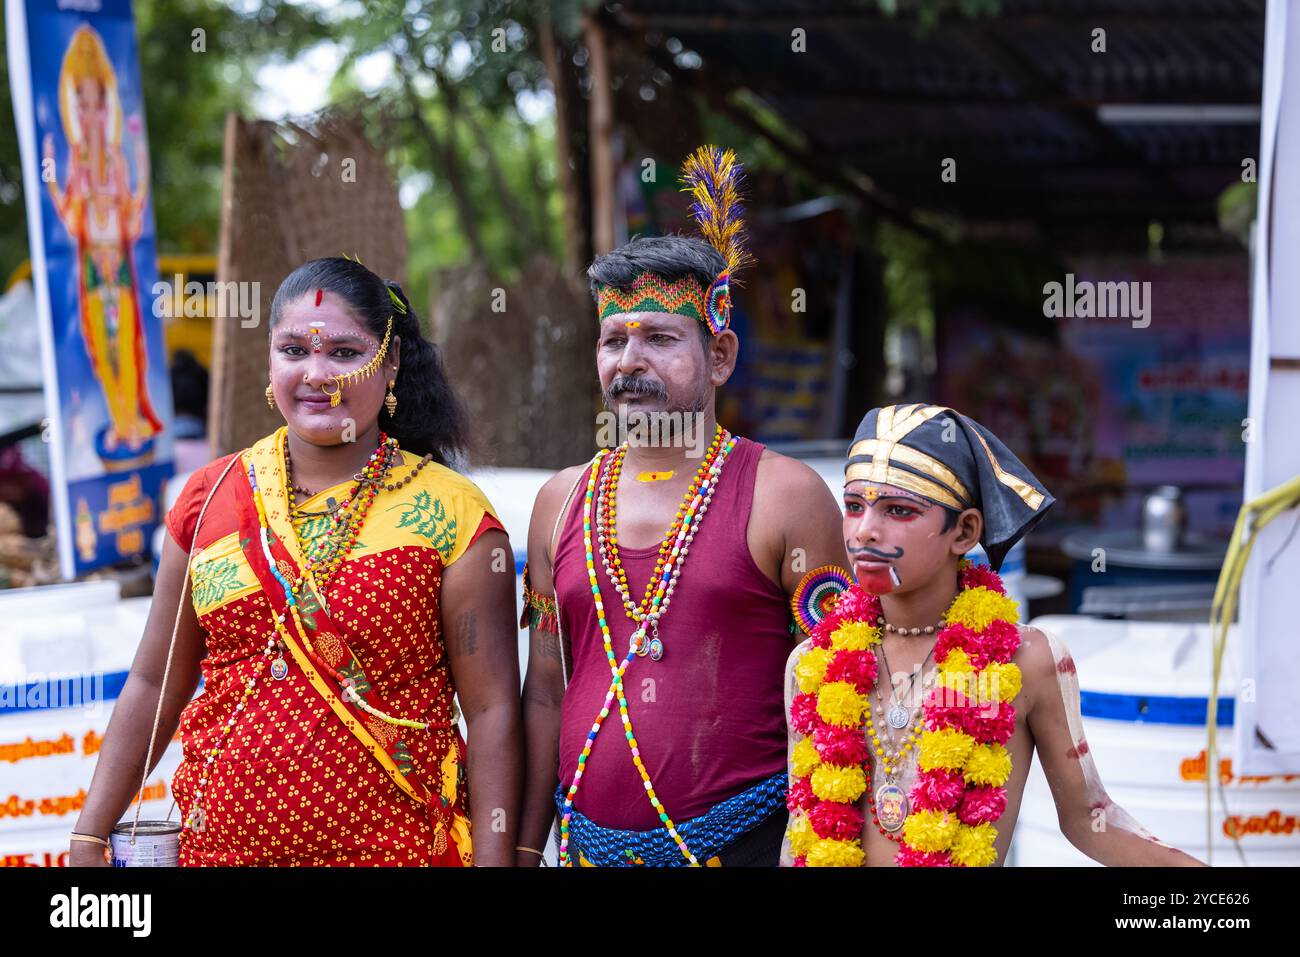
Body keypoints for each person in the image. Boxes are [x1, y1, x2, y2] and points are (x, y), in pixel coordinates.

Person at [70, 256, 522, 866]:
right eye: (293, 351)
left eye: (343, 353)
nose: (316, 374)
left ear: (389, 364)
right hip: (219, 853)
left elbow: (493, 710)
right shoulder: (209, 501)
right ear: (269, 363)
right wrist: (89, 833)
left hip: (403, 851)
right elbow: (154, 682)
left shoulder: (451, 514)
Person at [517, 147, 848, 867]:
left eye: (661, 338)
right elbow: (544, 690)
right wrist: (519, 846)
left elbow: (839, 699)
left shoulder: (785, 495)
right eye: (613, 341)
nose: (629, 362)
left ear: (721, 356)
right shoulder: (559, 500)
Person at [781, 403, 1205, 866]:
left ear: (964, 532)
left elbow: (1090, 818)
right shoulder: (812, 663)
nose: (864, 532)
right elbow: (799, 831)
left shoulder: (1024, 660)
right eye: (855, 506)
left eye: (898, 510)